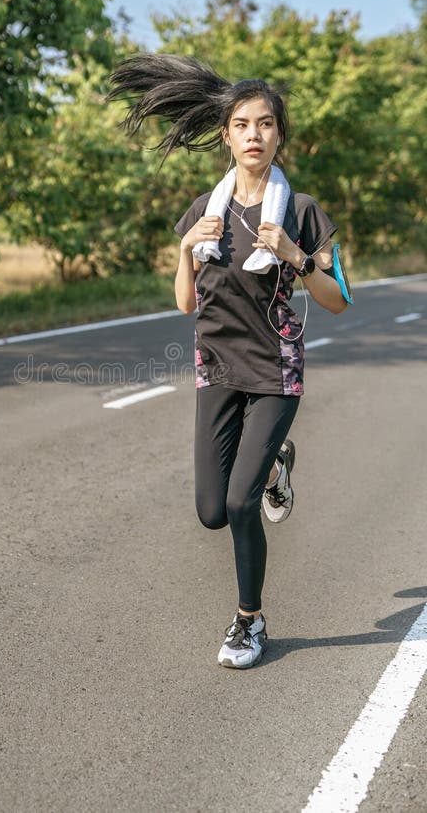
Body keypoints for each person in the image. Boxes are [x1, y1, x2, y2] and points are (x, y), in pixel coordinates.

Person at [108, 54, 349, 669]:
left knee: (241, 506)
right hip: (215, 367)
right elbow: (186, 301)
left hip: (275, 371)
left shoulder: (301, 212)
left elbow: (339, 300)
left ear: (279, 135)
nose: (254, 135)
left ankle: (249, 621)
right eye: (242, 124)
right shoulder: (202, 211)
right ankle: (275, 467)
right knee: (212, 512)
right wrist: (186, 250)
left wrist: (296, 255)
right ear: (226, 135)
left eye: (265, 124)